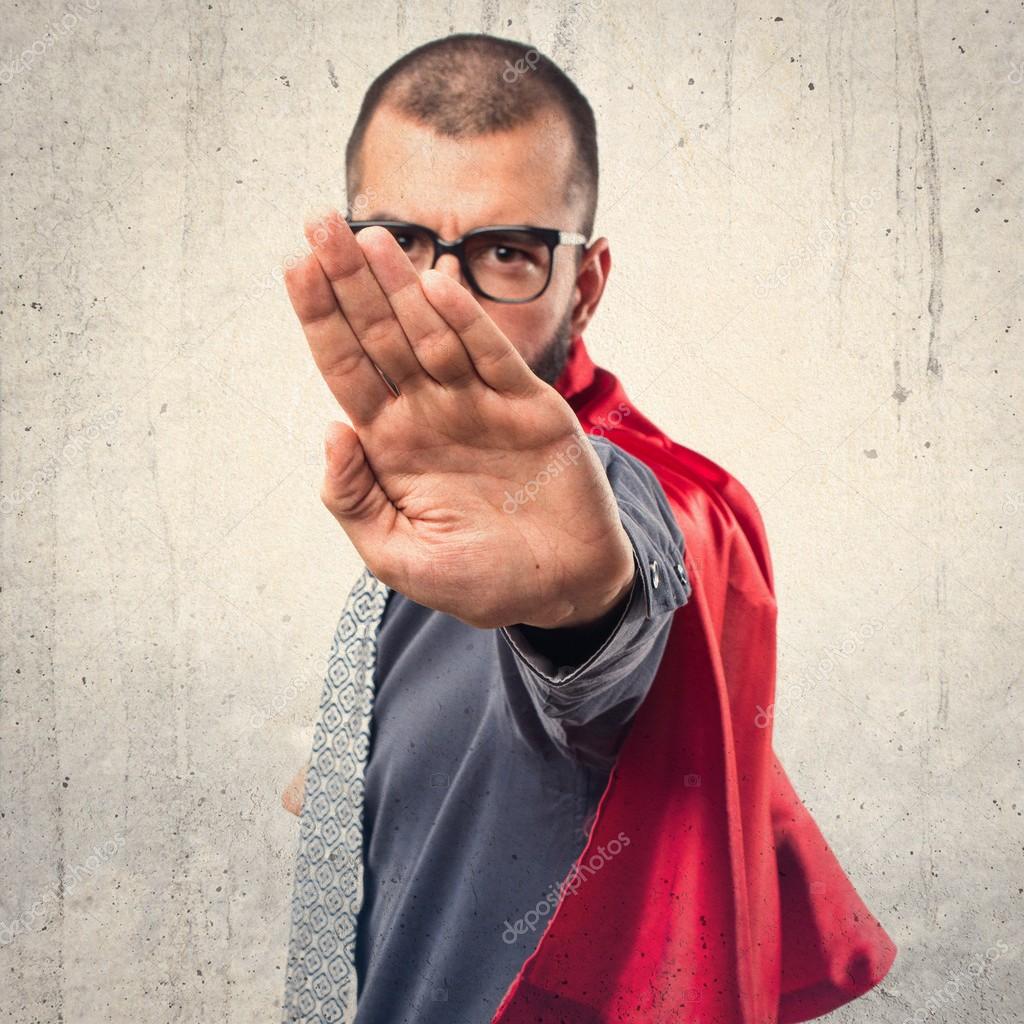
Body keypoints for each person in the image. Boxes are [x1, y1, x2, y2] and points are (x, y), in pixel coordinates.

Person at [278, 33, 896, 1024]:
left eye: (506, 253)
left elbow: (635, 592)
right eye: (400, 245)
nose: (441, 298)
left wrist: (583, 610)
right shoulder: (410, 506)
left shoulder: (644, 497)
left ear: (587, 283)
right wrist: (373, 772)